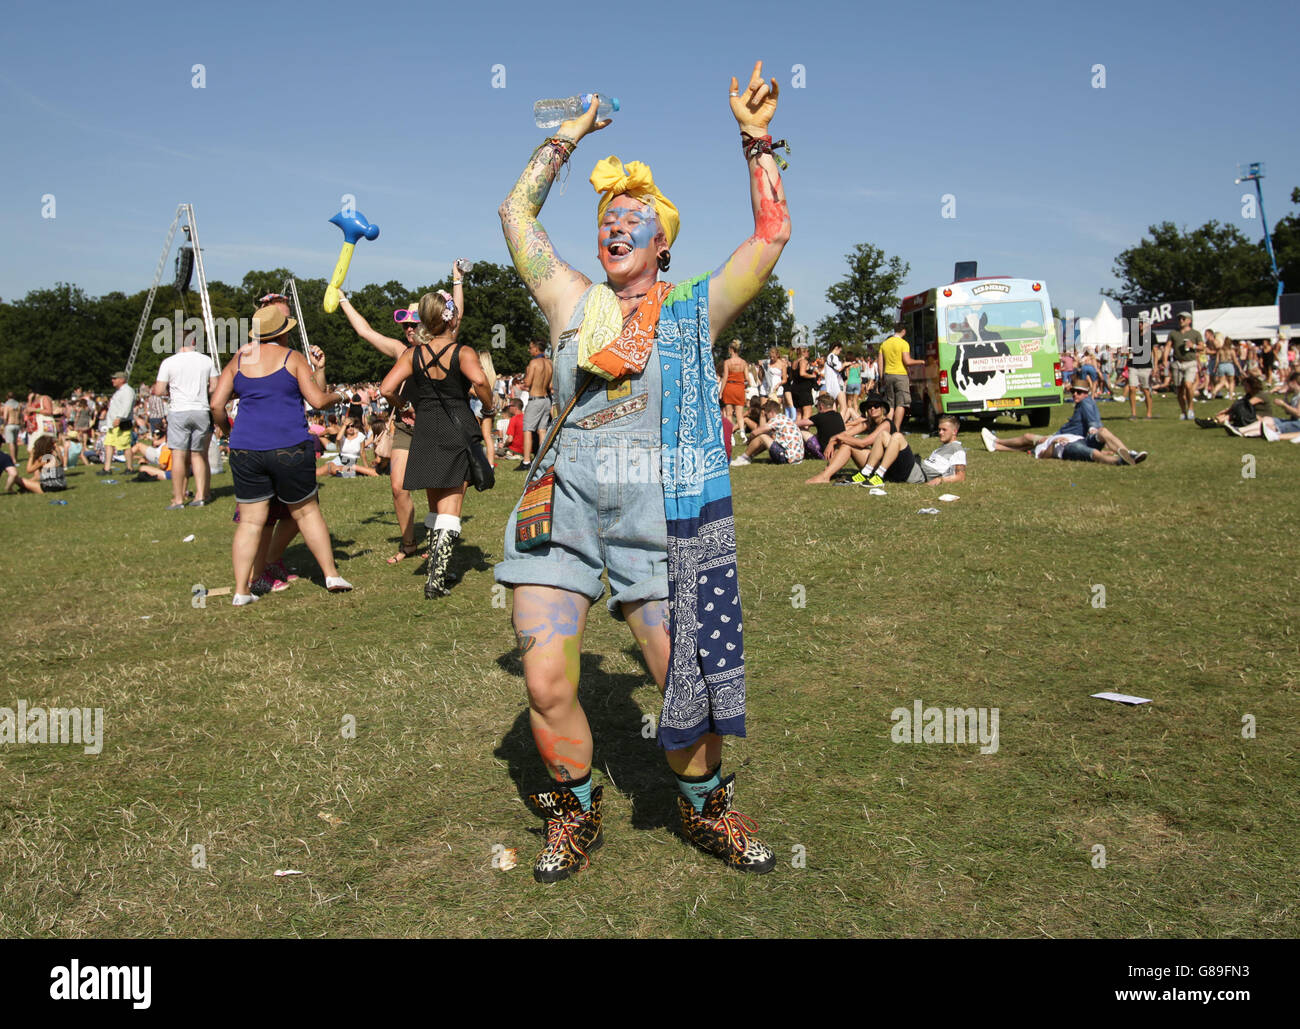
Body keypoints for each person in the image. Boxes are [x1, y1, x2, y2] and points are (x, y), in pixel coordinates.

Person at [494, 63, 788, 882]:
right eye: (607, 221)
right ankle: (574, 812)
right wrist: (570, 135)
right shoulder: (566, 300)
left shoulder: (694, 307)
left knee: (682, 685)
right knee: (546, 675)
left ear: (662, 241)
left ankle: (706, 809)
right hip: (562, 505)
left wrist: (754, 138)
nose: (615, 229)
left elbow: (771, 237)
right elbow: (515, 213)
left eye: (632, 221)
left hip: (658, 513)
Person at [210, 305, 352, 606]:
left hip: (246, 448)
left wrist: (227, 431)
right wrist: (342, 396)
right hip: (289, 445)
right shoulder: (292, 358)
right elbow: (317, 399)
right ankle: (331, 575)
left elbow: (216, 405)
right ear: (284, 331)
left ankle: (241, 591)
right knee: (307, 511)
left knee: (251, 521)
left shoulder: (239, 359)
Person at [379, 280, 494, 599]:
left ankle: (437, 569)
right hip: (457, 428)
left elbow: (386, 389)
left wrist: (402, 406)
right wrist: (488, 405)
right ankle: (437, 579)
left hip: (426, 429)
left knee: (435, 505)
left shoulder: (413, 354)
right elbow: (480, 380)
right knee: (451, 507)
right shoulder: (462, 351)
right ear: (450, 319)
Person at [982, 379, 1148, 465]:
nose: (1074, 394)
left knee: (1031, 439)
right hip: (1069, 439)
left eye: (1078, 392)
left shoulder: (1086, 402)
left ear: (1086, 394)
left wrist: (1091, 428)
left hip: (1072, 440)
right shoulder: (1085, 403)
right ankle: (996, 444)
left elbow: (1093, 421)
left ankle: (1123, 458)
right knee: (1031, 440)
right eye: (1073, 391)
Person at [154, 331, 218, 509]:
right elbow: (214, 386)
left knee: (179, 456)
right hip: (201, 409)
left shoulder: (169, 362)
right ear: (194, 341)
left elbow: (158, 391)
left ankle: (179, 498)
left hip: (179, 410)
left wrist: (171, 391)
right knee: (198, 455)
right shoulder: (206, 361)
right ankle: (200, 495)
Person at [847, 413, 967, 487]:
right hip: (915, 467)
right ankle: (866, 472)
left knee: (898, 436)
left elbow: (961, 476)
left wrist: (940, 480)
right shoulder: (943, 447)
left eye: (944, 430)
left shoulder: (957, 449)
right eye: (939, 429)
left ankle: (879, 475)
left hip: (918, 474)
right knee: (883, 434)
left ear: (954, 431)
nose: (940, 432)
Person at [803, 393, 895, 484]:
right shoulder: (869, 423)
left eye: (876, 406)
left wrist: (837, 438)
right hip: (875, 463)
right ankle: (827, 473)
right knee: (845, 443)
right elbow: (846, 434)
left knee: (848, 444)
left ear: (882, 408)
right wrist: (832, 442)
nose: (872, 408)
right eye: (869, 406)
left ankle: (826, 475)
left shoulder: (886, 424)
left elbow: (864, 443)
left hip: (887, 467)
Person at [729, 399, 804, 465]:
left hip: (787, 458)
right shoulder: (785, 418)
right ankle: (750, 457)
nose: (766, 416)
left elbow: (755, 432)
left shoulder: (775, 420)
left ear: (771, 412)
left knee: (763, 437)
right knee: (768, 437)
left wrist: (749, 441)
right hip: (796, 458)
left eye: (766, 414)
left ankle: (743, 458)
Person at [879, 325, 923, 432]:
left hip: (888, 375)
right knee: (901, 403)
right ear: (903, 331)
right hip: (900, 375)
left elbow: (880, 362)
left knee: (890, 403)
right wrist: (921, 361)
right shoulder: (903, 343)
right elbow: (907, 361)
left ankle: (887, 428)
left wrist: (881, 377)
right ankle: (896, 428)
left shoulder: (884, 344)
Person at [519, 339, 553, 470]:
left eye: (530, 348)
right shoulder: (550, 363)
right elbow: (551, 385)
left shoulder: (534, 363)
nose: (529, 350)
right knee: (542, 429)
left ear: (536, 349)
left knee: (528, 429)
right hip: (546, 399)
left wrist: (524, 382)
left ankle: (526, 461)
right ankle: (542, 458)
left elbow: (528, 382)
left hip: (535, 399)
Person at [1163, 311, 1202, 420]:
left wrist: (1192, 345)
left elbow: (1202, 347)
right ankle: (1183, 411)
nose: (1181, 320)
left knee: (1188, 385)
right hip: (1177, 363)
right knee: (1179, 389)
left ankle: (1190, 408)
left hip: (1190, 362)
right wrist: (1165, 360)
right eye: (1179, 318)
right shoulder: (1173, 333)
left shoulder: (1195, 333)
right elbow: (1167, 347)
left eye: (1183, 319)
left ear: (1189, 320)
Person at [100, 372, 135, 475]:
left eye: (115, 378)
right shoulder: (119, 391)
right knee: (108, 444)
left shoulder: (127, 391)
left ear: (122, 380)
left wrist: (120, 418)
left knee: (125, 445)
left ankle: (130, 468)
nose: (113, 380)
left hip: (121, 423)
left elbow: (126, 406)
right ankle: (107, 469)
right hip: (113, 423)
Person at [796, 391, 844, 460]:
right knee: (818, 434)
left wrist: (788, 422)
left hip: (826, 452)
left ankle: (800, 452)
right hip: (840, 451)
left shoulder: (820, 417)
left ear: (821, 406)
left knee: (801, 431)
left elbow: (800, 423)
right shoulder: (838, 415)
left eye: (816, 406)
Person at [1125, 318, 1156, 419]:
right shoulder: (1132, 335)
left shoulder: (1151, 335)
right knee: (1132, 388)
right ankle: (1133, 413)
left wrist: (1155, 366)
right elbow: (1129, 349)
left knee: (1146, 390)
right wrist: (1127, 357)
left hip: (1146, 366)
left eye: (1142, 322)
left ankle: (1149, 413)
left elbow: (1155, 351)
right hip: (1133, 365)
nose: (1140, 324)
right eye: (1139, 322)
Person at [720, 340, 748, 439]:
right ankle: (743, 434)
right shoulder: (743, 362)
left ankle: (730, 435)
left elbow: (725, 377)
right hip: (740, 388)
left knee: (729, 413)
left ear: (731, 350)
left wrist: (721, 392)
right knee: (739, 413)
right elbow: (747, 378)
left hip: (729, 387)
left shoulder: (727, 362)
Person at [2, 392, 21, 464]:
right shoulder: (18, 404)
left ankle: (13, 460)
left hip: (10, 424)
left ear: (7, 397)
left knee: (11, 443)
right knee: (15, 442)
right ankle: (16, 457)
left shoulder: (7, 405)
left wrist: (4, 425)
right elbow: (21, 416)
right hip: (17, 424)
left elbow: (5, 416)